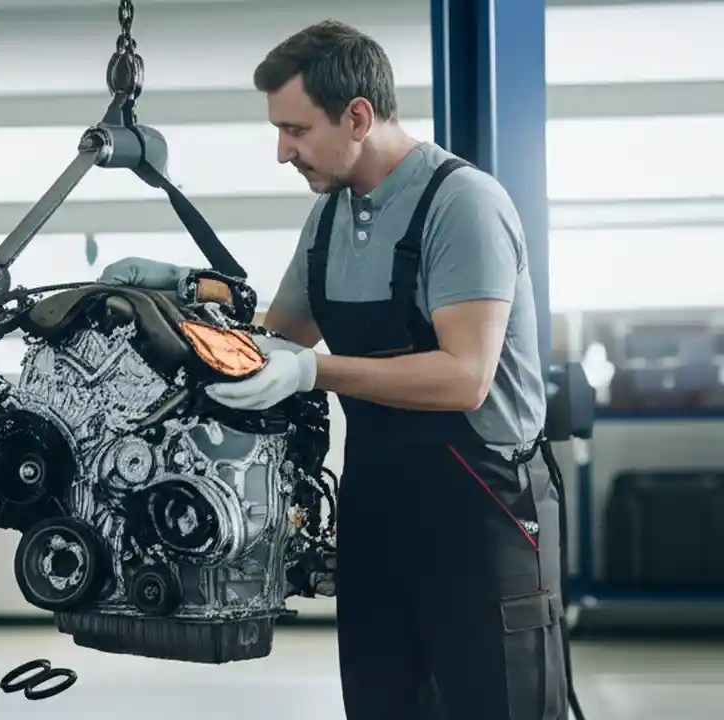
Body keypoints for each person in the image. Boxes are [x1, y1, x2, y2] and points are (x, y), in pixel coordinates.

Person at [99, 19, 569, 720]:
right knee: (383, 701)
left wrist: (313, 373)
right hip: (378, 497)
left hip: (483, 505)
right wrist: (175, 295)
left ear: (357, 116)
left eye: (295, 130)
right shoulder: (328, 218)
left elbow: (463, 377)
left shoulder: (462, 204)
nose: (282, 152)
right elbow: (271, 336)